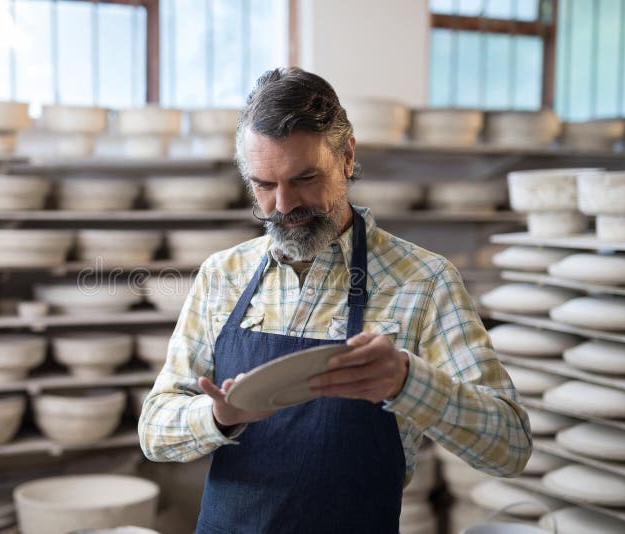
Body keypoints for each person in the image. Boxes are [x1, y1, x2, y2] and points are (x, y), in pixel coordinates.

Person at [138, 67, 532, 534]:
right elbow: (154, 431)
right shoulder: (223, 275)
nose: (284, 205)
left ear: (347, 157)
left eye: (304, 178)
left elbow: (510, 448)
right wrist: (218, 417)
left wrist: (409, 383)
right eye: (264, 185)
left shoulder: (424, 282)